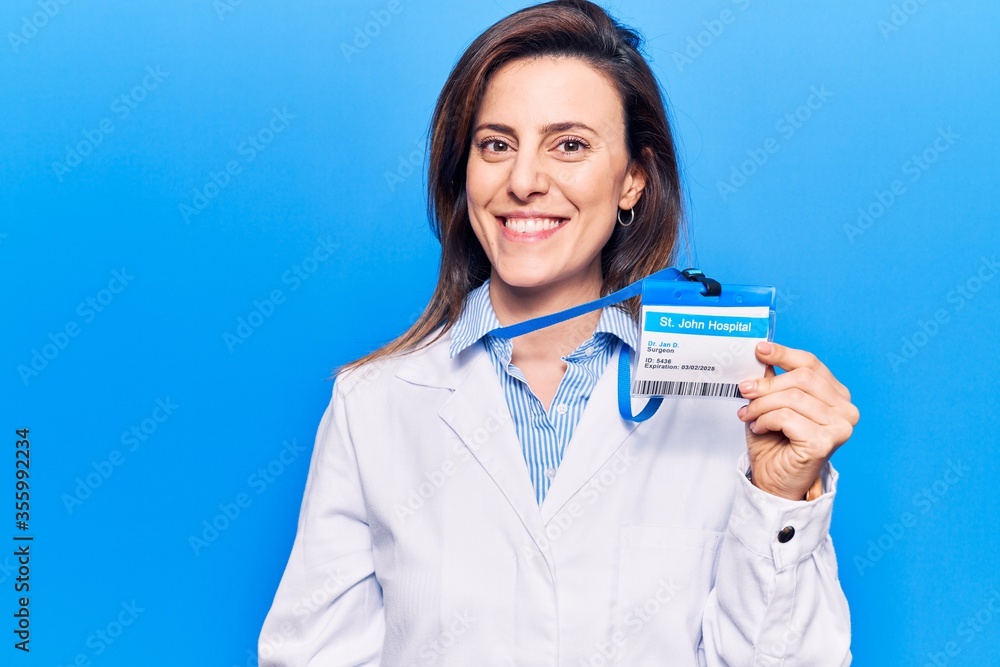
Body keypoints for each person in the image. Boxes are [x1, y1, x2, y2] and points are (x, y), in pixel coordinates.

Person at [258, 1, 859, 664]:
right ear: (465, 173)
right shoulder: (372, 407)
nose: (523, 181)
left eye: (568, 145)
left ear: (632, 179)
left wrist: (778, 496)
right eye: (496, 145)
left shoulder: (727, 406)